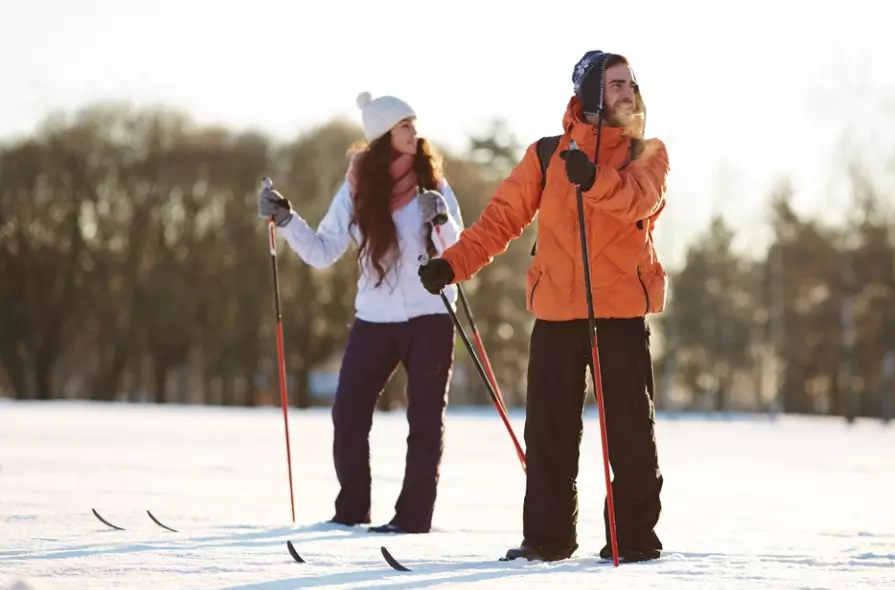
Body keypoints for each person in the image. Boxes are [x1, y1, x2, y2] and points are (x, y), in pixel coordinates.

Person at [418, 51, 670, 562]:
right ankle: (547, 540)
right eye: (615, 82)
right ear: (591, 92)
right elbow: (500, 220)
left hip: (619, 314)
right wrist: (452, 264)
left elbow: (639, 200)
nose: (628, 91)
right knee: (550, 431)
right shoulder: (546, 155)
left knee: (629, 434)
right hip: (556, 313)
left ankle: (634, 542)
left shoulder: (648, 151)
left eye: (631, 83)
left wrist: (593, 179)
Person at [258, 91, 463, 534]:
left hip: (430, 315)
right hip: (374, 318)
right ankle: (351, 510)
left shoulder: (433, 184)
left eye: (414, 124)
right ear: (385, 134)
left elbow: (459, 251)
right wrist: (287, 220)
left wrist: (442, 217)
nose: (415, 132)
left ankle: (412, 519)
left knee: (424, 420)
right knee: (348, 413)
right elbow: (323, 251)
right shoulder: (357, 187)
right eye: (405, 125)